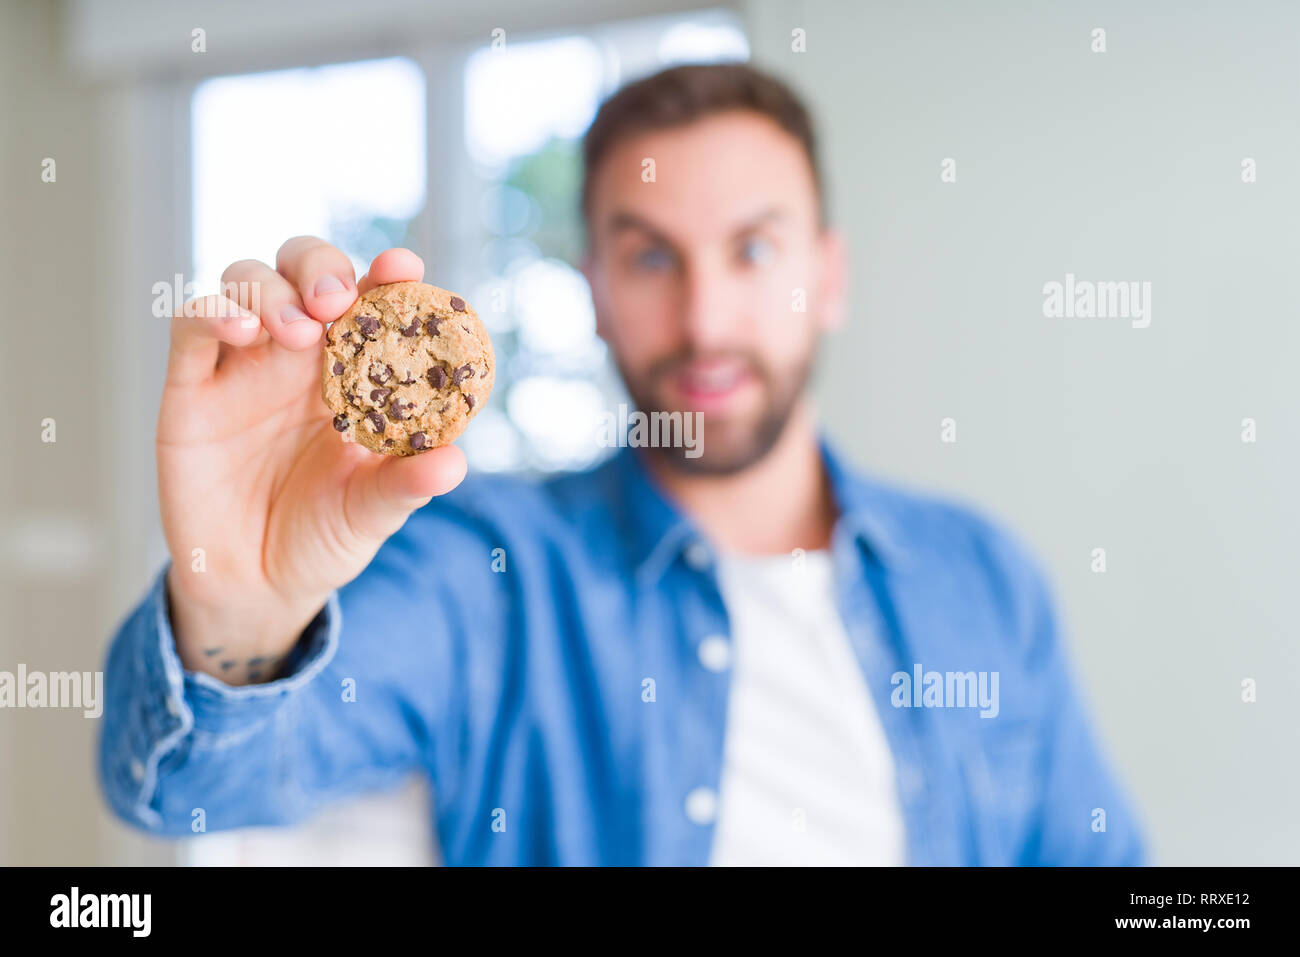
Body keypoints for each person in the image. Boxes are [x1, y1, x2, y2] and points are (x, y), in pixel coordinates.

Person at [99, 63, 1145, 866]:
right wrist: (238, 617)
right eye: (651, 256)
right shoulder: (484, 568)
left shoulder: (981, 580)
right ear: (594, 288)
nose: (704, 320)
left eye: (753, 250)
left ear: (827, 277)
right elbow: (189, 790)